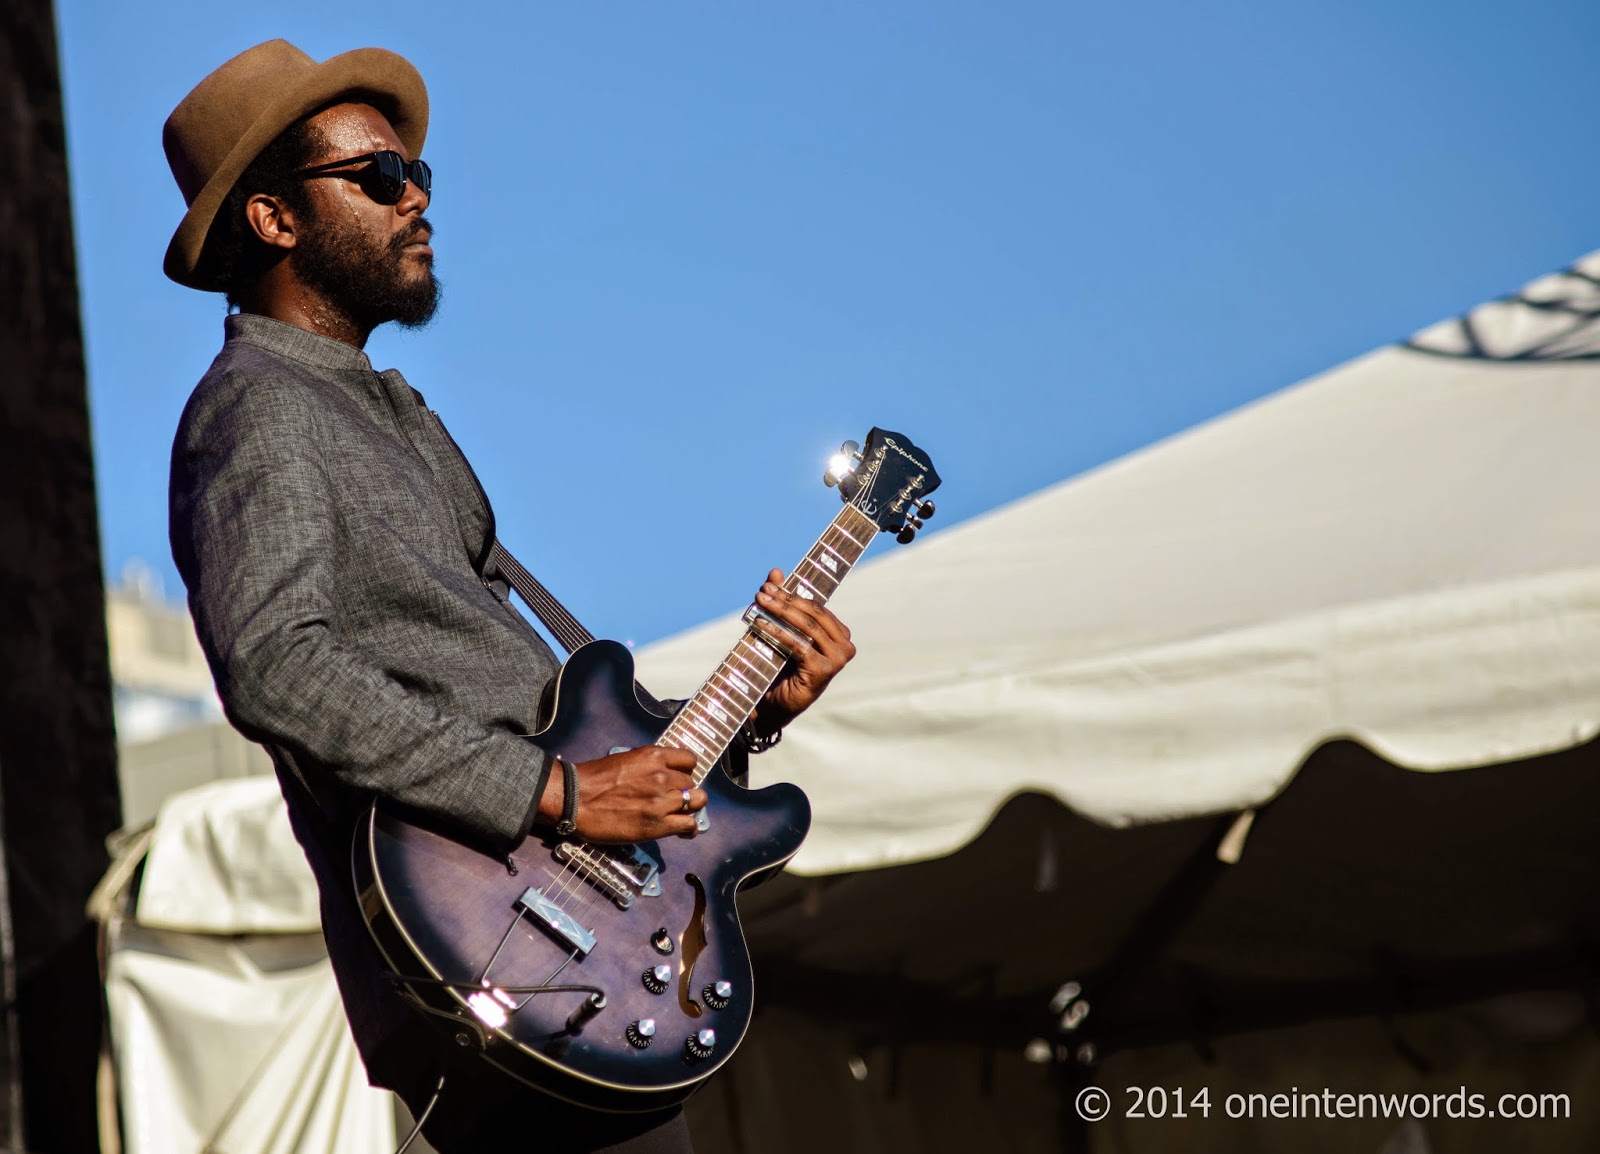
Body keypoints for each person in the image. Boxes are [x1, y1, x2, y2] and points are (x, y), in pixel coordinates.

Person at [162, 40, 856, 1154]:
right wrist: (556, 795)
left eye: (423, 174)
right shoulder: (259, 407)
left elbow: (538, 704)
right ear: (274, 220)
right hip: (500, 959)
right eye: (380, 178)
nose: (418, 198)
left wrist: (749, 712)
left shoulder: (389, 412)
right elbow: (277, 663)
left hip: (574, 952)